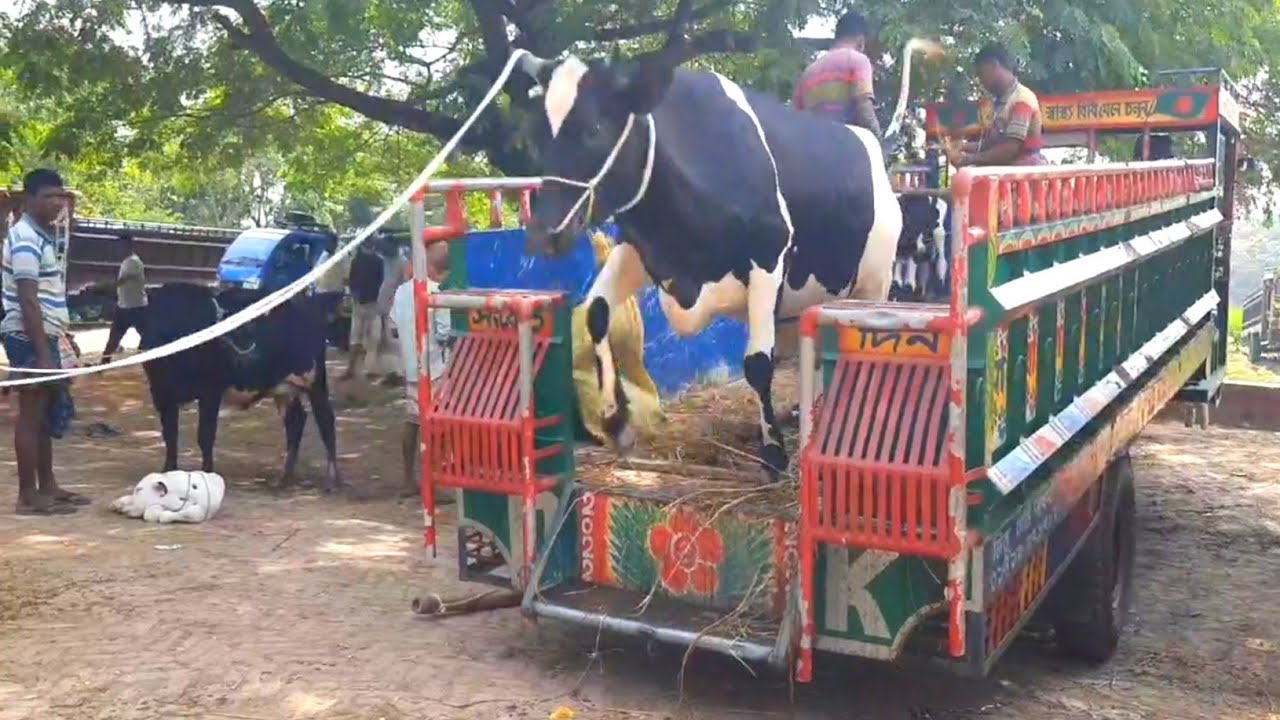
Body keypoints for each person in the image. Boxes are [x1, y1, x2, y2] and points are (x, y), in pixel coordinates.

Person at [1, 168, 89, 515]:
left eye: (60, 196)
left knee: (44, 412)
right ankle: (27, 496)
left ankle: (47, 486)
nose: (57, 203)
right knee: (31, 413)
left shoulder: (40, 236)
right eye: (49, 196)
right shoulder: (24, 237)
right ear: (29, 199)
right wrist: (42, 354)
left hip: (44, 334)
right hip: (27, 336)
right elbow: (28, 300)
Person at [389, 241, 451, 500]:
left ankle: (407, 479)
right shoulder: (437, 294)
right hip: (435, 368)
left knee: (412, 422)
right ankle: (437, 481)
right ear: (441, 270)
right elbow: (445, 334)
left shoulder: (402, 291)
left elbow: (393, 327)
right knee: (439, 426)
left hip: (411, 368)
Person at [944, 43, 1047, 168]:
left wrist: (968, 159)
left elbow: (1009, 149)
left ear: (994, 65)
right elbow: (991, 144)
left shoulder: (1022, 99)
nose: (980, 81)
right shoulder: (1002, 101)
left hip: (1022, 179)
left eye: (981, 74)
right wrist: (962, 147)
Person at [792, 11, 881, 136]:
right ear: (861, 41)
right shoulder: (858, 61)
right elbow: (864, 109)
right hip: (845, 148)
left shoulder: (807, 73)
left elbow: (795, 120)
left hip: (810, 150)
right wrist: (878, 141)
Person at [100, 234, 147, 365]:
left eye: (120, 246)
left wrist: (102, 287)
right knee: (114, 336)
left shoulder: (133, 262)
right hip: (126, 305)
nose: (118, 249)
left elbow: (122, 281)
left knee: (146, 335)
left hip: (136, 306)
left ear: (128, 246)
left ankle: (104, 361)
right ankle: (104, 361)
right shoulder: (127, 261)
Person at [340, 243, 384, 381]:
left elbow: (351, 282)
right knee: (367, 338)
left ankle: (359, 369)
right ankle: (361, 369)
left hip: (368, 303)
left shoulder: (362, 261)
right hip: (367, 303)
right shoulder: (376, 261)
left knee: (363, 338)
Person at [376, 240, 408, 386]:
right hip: (385, 303)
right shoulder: (387, 261)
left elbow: (403, 284)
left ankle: (400, 372)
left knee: (395, 339)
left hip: (394, 305)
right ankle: (392, 371)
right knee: (387, 340)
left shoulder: (402, 262)